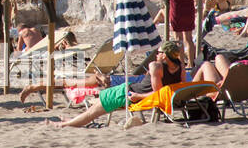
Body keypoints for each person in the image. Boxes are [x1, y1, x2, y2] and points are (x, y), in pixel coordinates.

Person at [45, 42, 186, 126]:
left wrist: (138, 96)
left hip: (129, 93)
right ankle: (73, 120)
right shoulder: (180, 66)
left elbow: (158, 94)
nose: (156, 54)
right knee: (96, 105)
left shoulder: (156, 66)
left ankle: (64, 124)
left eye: (159, 52)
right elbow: (181, 85)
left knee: (95, 109)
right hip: (133, 91)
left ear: (165, 55)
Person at [165, 0, 197, 66]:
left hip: (177, 10)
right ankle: (191, 63)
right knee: (189, 39)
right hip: (189, 10)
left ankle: (182, 63)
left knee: (178, 39)